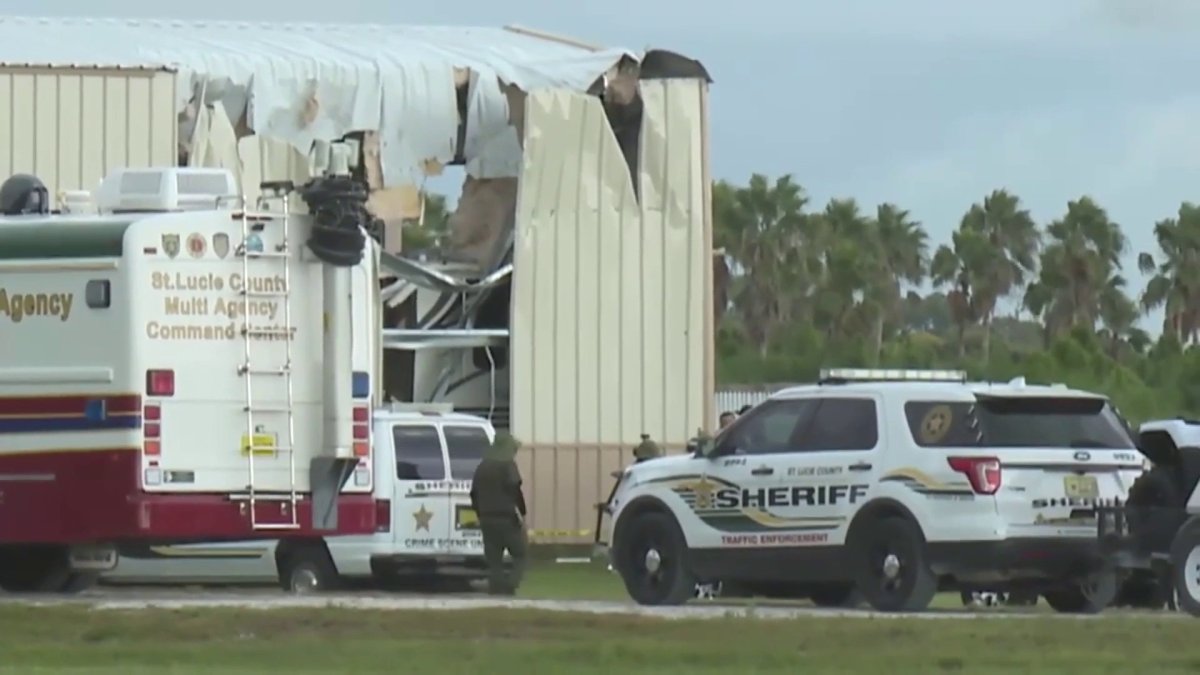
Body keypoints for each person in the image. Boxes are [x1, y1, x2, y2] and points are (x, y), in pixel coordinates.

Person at [469, 432, 528, 595]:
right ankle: (510, 585)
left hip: (487, 518)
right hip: (506, 517)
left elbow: (473, 494)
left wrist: (480, 513)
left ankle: (495, 589)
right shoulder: (508, 465)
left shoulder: (482, 466)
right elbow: (516, 491)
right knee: (520, 554)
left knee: (494, 559)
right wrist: (522, 513)